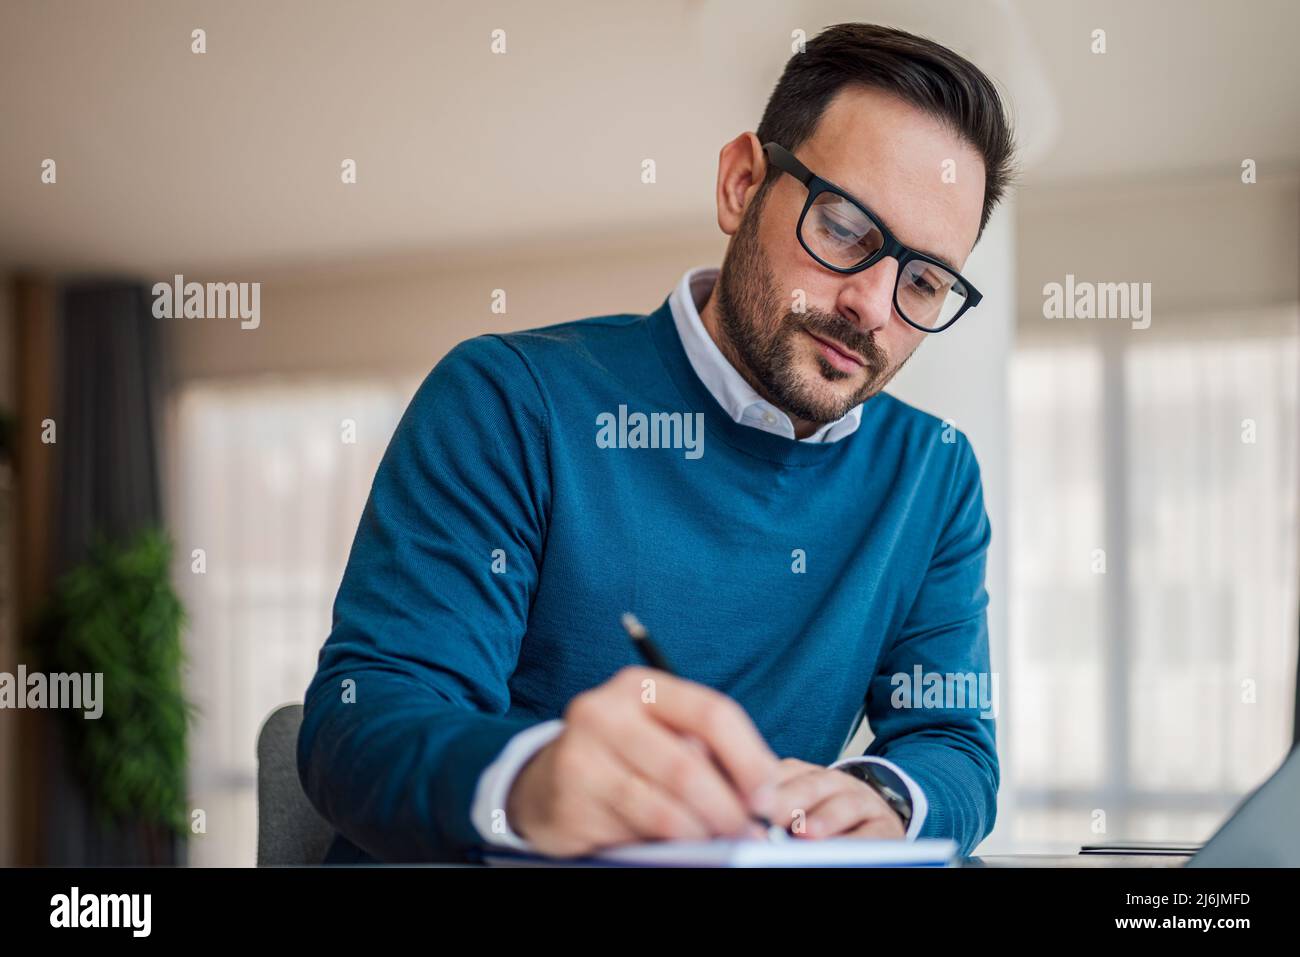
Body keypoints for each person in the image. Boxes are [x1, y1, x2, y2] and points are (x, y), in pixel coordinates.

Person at [298, 21, 1017, 863]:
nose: (871, 303)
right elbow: (362, 716)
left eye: (925, 280)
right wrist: (531, 781)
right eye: (847, 229)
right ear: (742, 184)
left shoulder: (932, 478)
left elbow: (955, 743)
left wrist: (887, 794)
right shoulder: (507, 399)